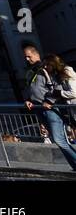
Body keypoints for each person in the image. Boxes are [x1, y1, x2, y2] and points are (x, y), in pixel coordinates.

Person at [23, 43, 76, 171]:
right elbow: (34, 90)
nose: (27, 59)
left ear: (36, 54)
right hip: (39, 108)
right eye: (25, 57)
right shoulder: (32, 72)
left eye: (29, 56)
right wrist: (29, 100)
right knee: (57, 139)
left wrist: (49, 101)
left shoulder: (46, 68)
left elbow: (56, 86)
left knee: (59, 139)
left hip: (50, 109)